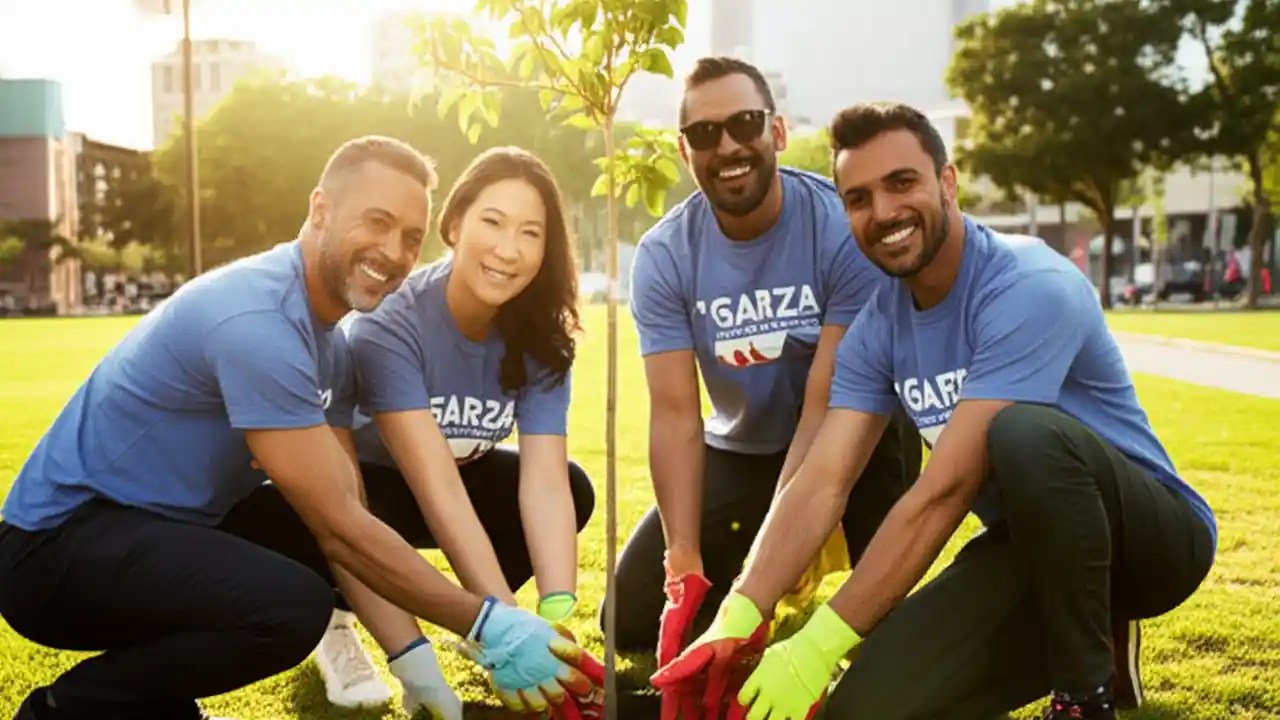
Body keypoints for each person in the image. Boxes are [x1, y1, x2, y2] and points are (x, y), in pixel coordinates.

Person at [0, 136, 601, 720]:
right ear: (321, 209)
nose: (393, 251)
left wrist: (412, 659)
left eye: (409, 238)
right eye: (376, 222)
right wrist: (486, 624)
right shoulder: (256, 320)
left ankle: (154, 706)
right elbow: (339, 531)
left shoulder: (331, 349)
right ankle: (65, 710)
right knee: (291, 606)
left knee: (302, 556)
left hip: (165, 528)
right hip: (54, 549)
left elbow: (348, 508)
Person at [652, 102, 1217, 720]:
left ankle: (1084, 693)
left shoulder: (1029, 284)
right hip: (1024, 548)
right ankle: (1078, 626)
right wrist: (741, 612)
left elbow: (947, 488)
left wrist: (819, 643)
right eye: (859, 198)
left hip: (1152, 541)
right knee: (863, 708)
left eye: (902, 183)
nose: (885, 212)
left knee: (1024, 435)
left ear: (947, 183)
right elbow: (823, 477)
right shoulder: (878, 328)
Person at [608, 55, 922, 690]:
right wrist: (684, 560)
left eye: (745, 123)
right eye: (704, 134)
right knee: (629, 619)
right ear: (683, 150)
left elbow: (825, 406)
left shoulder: (839, 225)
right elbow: (674, 416)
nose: (727, 147)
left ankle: (813, 586)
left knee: (885, 639)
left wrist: (763, 579)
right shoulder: (665, 255)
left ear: (776, 132)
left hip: (855, 437)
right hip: (743, 446)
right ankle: (734, 574)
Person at [282, 145, 597, 717]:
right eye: (492, 223)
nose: (508, 249)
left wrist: (553, 619)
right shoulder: (390, 325)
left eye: (531, 232)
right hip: (367, 488)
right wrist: (504, 626)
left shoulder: (542, 336)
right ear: (453, 226)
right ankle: (338, 616)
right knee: (357, 507)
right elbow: (438, 493)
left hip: (451, 477)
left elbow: (545, 478)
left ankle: (479, 621)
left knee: (575, 488)